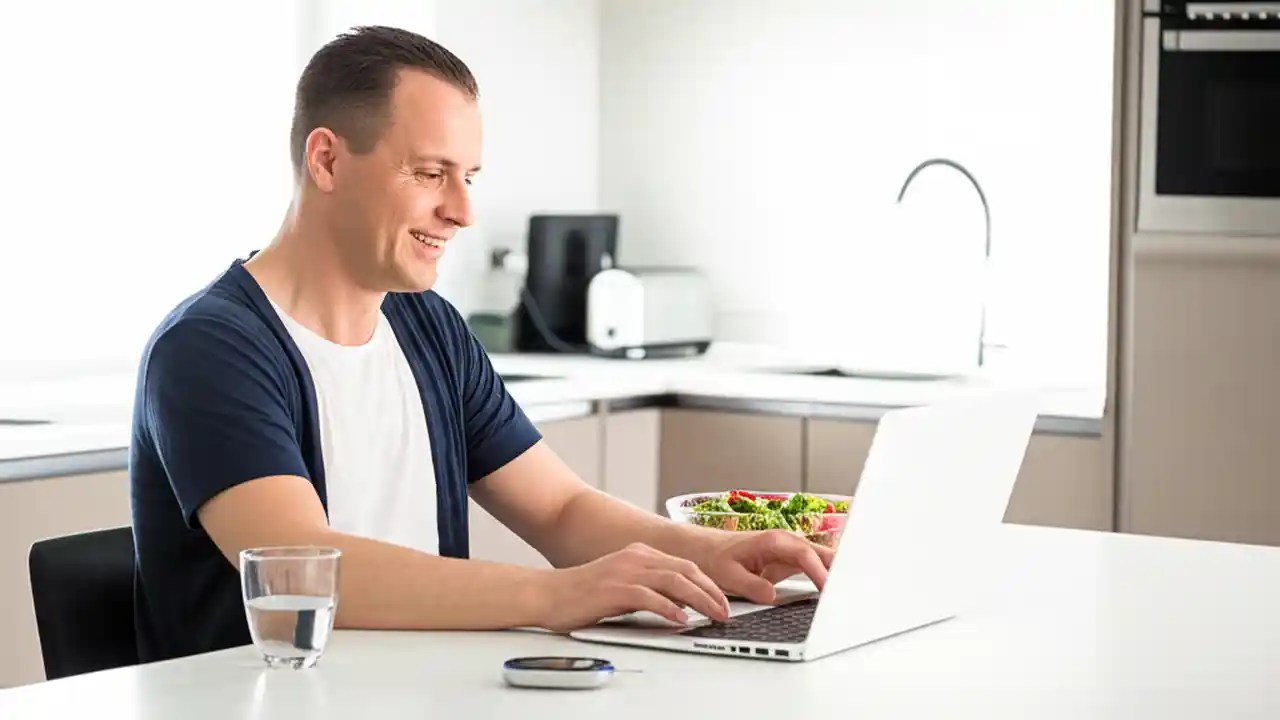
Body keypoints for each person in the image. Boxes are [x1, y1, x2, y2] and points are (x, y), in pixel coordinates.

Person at [129, 25, 832, 663]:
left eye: (468, 178)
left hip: (422, 694)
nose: (462, 210)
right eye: (430, 174)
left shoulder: (429, 327)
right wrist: (557, 596)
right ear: (327, 160)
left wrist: (724, 553)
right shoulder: (211, 349)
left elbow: (560, 510)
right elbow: (299, 566)